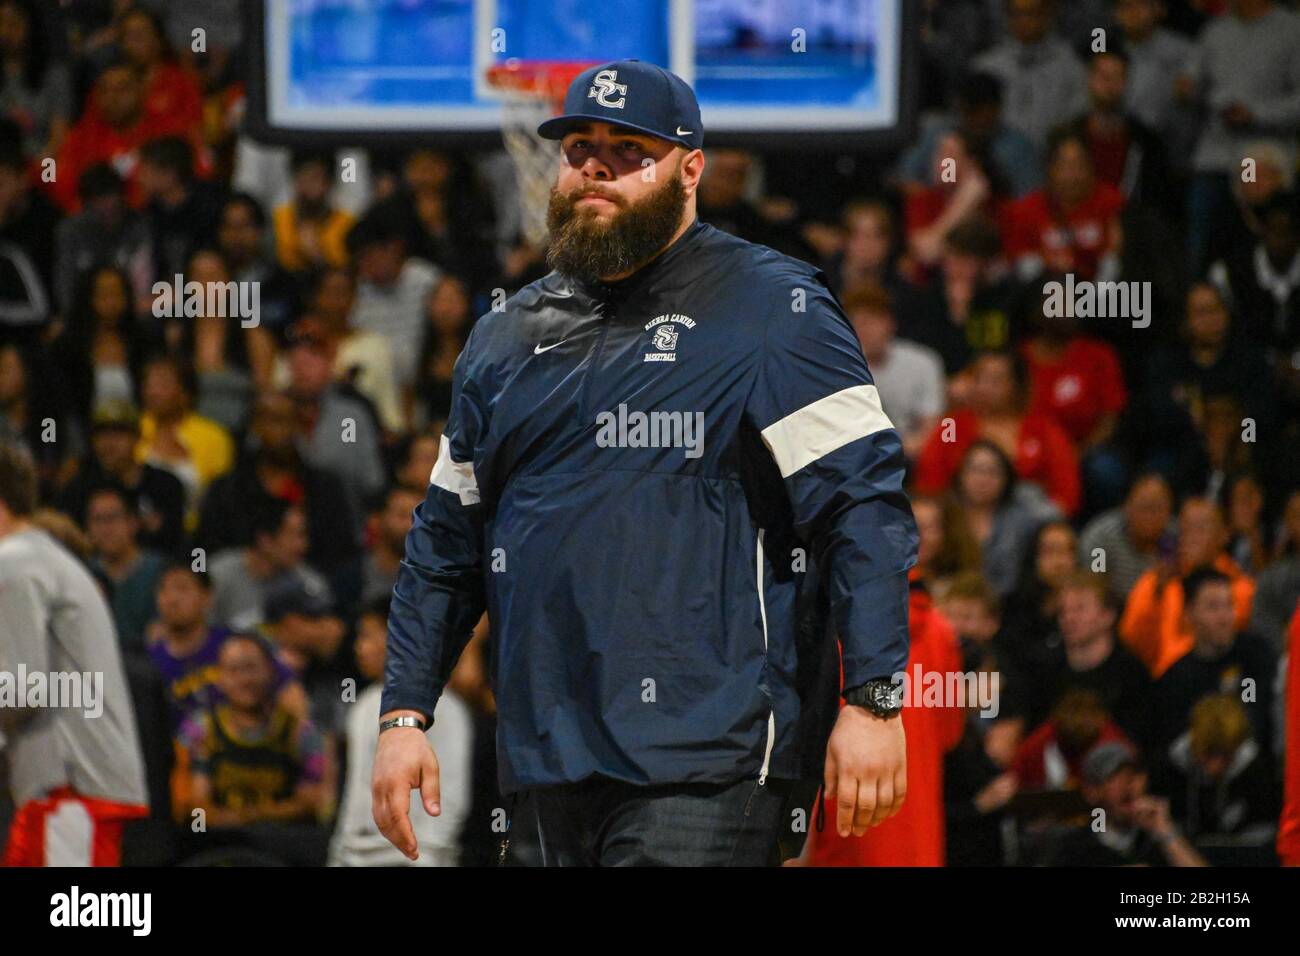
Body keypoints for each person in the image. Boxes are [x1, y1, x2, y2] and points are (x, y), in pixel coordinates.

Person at [375, 60, 918, 867]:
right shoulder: (504, 336)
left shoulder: (776, 308)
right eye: (579, 146)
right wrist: (404, 715)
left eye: (630, 149)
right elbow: (444, 549)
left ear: (691, 169)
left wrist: (873, 700)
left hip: (709, 758)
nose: (596, 164)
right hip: (544, 759)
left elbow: (862, 510)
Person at [0, 442, 149, 865]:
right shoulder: (41, 558)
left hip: (70, 784)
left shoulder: (13, 562)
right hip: (66, 785)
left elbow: (24, 690)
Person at [330, 599, 473, 866]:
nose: (359, 648)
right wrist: (338, 854)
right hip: (357, 855)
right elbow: (356, 790)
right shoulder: (362, 705)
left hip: (415, 857)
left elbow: (452, 795)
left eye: (368, 636)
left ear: (399, 637)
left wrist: (427, 857)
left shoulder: (444, 706)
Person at [177, 632, 325, 829]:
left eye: (251, 668)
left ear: (272, 672)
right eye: (233, 670)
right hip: (216, 843)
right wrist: (226, 822)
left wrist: (253, 816)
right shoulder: (199, 730)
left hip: (282, 846)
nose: (244, 680)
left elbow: (311, 803)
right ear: (219, 678)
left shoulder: (301, 733)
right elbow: (193, 804)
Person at [916, 350, 1081, 517]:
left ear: (1016, 385)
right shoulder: (951, 426)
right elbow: (930, 483)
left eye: (996, 380)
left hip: (1028, 522)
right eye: (979, 378)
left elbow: (1066, 494)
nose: (985, 387)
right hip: (961, 521)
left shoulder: (1042, 429)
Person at [1120, 497, 1256, 678]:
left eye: (1200, 529)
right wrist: (1157, 593)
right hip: (1165, 685)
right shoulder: (1156, 582)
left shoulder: (1241, 588)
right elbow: (1131, 641)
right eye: (1185, 529)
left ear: (1223, 535)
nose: (1190, 537)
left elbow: (1225, 641)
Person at [1151, 566, 1277, 754]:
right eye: (1213, 607)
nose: (1224, 617)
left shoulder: (1255, 655)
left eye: (1229, 605)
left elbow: (1257, 715)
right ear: (1189, 614)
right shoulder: (1176, 680)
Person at [1042, 740, 1208, 865]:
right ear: (1092, 792)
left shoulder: (1159, 840)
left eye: (1133, 774)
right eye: (1114, 777)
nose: (1128, 784)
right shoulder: (1077, 847)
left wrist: (1165, 831)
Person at [56, 399, 186, 555]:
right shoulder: (79, 488)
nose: (109, 443)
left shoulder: (165, 485)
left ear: (137, 438)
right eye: (102, 435)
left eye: (119, 434)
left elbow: (173, 543)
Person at [843, 282, 944, 459]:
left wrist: (896, 450)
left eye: (872, 320)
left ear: (890, 323)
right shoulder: (837, 368)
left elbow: (932, 426)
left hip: (911, 457)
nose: (864, 329)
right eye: (856, 322)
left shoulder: (923, 362)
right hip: (855, 458)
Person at [971, 0, 1088, 148]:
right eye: (1017, 14)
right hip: (996, 162)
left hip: (1053, 160)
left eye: (1031, 13)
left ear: (1047, 15)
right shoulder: (986, 68)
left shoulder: (1071, 67)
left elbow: (1077, 121)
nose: (1024, 21)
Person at [85, 482, 164, 656]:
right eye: (97, 520)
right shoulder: (82, 574)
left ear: (133, 523)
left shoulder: (159, 570)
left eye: (112, 518)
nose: (105, 528)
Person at [1078, 472, 1175, 602]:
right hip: (1111, 609)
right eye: (1144, 507)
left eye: (1157, 508)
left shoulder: (1174, 537)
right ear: (1126, 506)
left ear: (1169, 512)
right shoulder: (1101, 539)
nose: (1149, 516)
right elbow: (1095, 580)